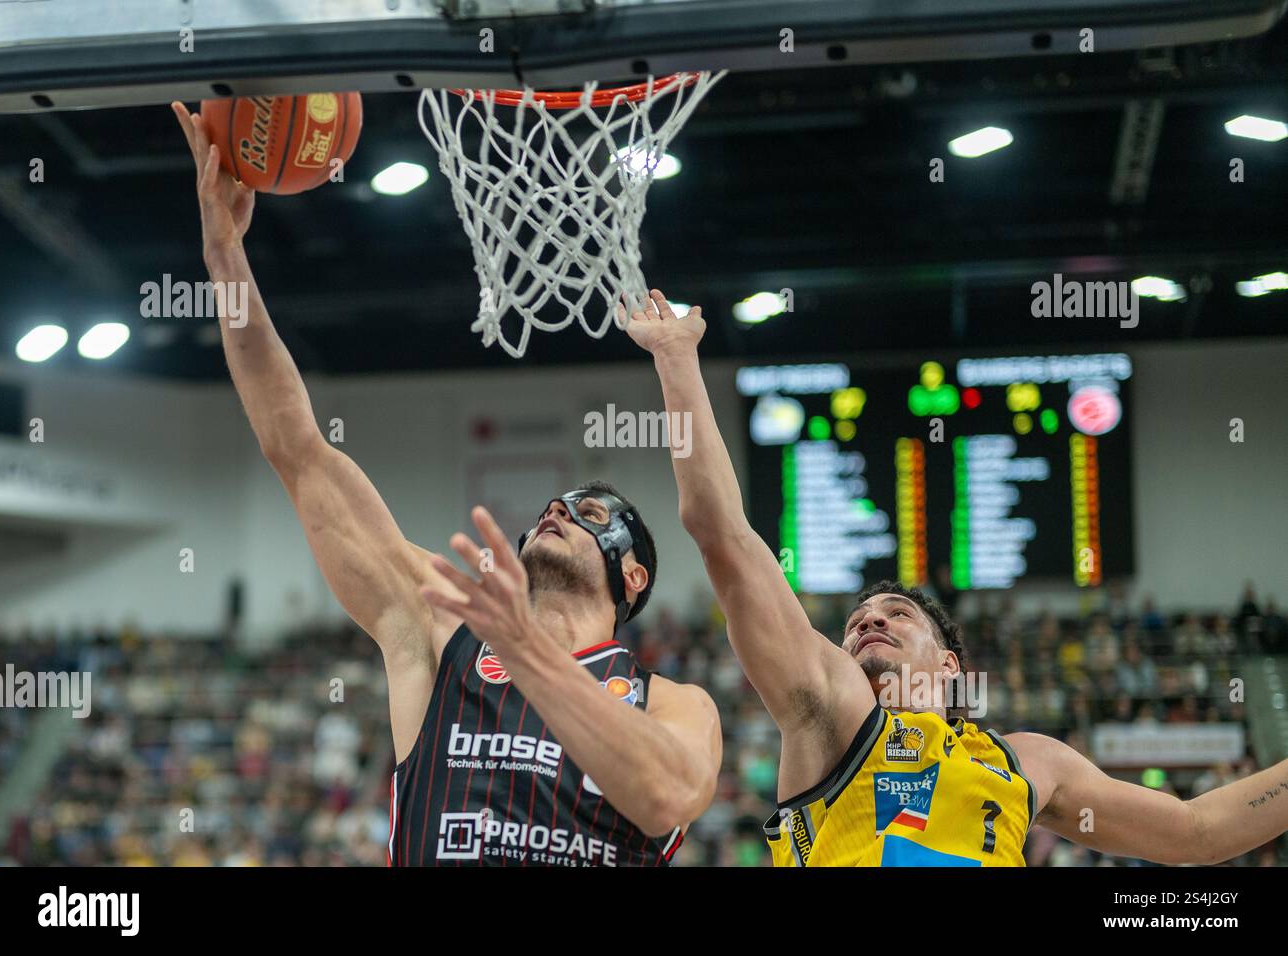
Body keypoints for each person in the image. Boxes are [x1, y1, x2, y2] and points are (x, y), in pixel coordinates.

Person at [172, 103, 721, 867]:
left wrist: (530, 648)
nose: (558, 510)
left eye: (591, 512)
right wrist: (226, 257)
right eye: (553, 507)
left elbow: (664, 796)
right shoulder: (445, 634)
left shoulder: (671, 704)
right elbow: (297, 448)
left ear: (633, 574)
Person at [627, 289, 1288, 867]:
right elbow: (723, 534)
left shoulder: (1030, 760)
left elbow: (1200, 832)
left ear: (947, 663)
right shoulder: (829, 710)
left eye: (895, 615)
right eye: (857, 624)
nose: (869, 623)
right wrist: (677, 359)